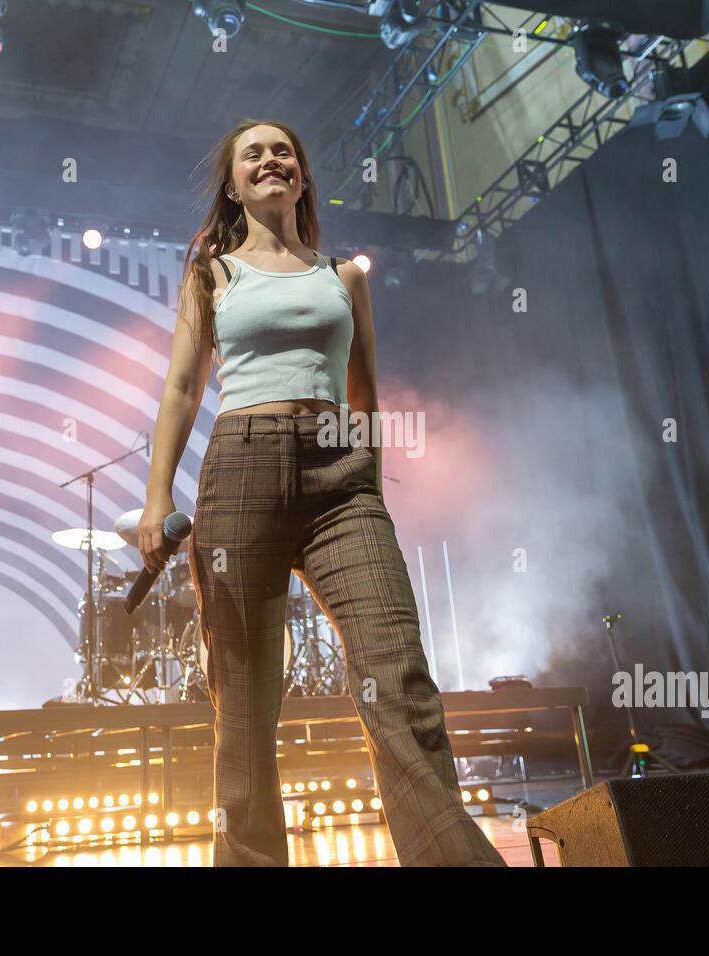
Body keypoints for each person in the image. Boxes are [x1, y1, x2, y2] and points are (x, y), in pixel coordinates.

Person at [135, 119, 507, 866]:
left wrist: (363, 475)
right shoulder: (212, 275)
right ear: (234, 185)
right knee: (242, 705)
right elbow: (181, 387)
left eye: (285, 152)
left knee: (397, 673)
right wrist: (154, 501)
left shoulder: (345, 277)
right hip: (241, 470)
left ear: (301, 177)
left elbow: (364, 393)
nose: (271, 160)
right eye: (253, 154)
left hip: (342, 483)